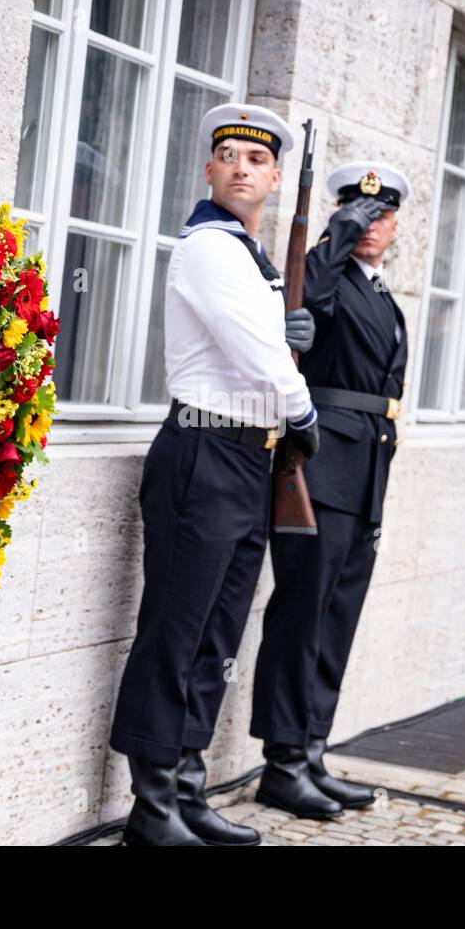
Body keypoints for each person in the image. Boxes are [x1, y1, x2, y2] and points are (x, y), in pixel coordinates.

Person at [108, 103, 321, 846]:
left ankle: (188, 783)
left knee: (218, 632)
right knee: (175, 628)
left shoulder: (252, 258)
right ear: (208, 170)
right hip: (202, 452)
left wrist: (294, 330)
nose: (240, 167)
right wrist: (304, 410)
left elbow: (266, 346)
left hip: (247, 459)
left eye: (256, 160)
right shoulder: (207, 246)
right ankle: (152, 804)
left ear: (274, 178)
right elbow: (257, 362)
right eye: (227, 155)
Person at [251, 161, 409, 819]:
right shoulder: (330, 280)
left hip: (366, 470)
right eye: (358, 215)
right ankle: (283, 762)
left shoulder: (381, 294)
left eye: (379, 216)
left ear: (397, 224)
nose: (370, 226)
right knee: (303, 611)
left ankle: (311, 748)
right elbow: (302, 293)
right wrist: (335, 233)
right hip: (320, 471)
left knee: (336, 616)